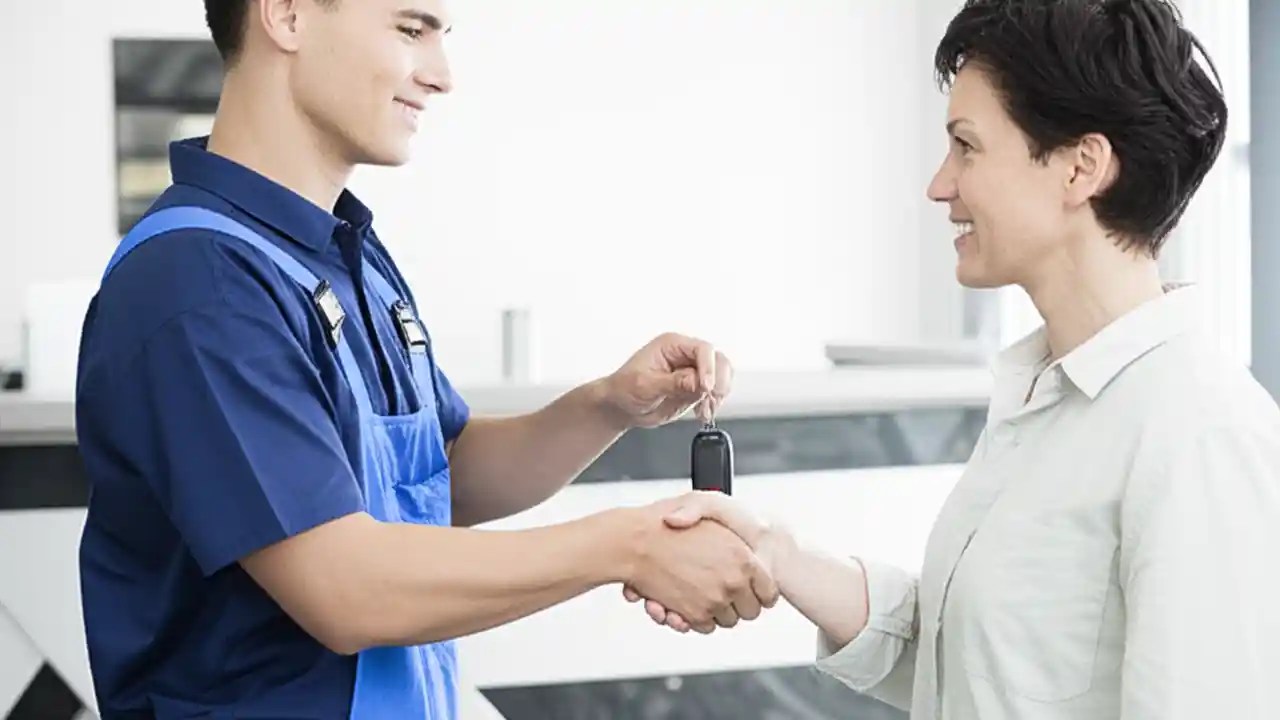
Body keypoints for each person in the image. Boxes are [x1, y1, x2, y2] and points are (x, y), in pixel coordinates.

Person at [73, 0, 779, 717]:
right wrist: (628, 546)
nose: (442, 76)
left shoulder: (347, 256)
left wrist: (607, 406)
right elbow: (345, 587)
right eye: (411, 30)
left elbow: (439, 477)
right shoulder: (199, 284)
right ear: (286, 15)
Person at [627, 1, 1280, 718]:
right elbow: (979, 663)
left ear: (1081, 167)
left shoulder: (1200, 435)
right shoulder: (1045, 396)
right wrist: (777, 555)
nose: (940, 184)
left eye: (967, 146)